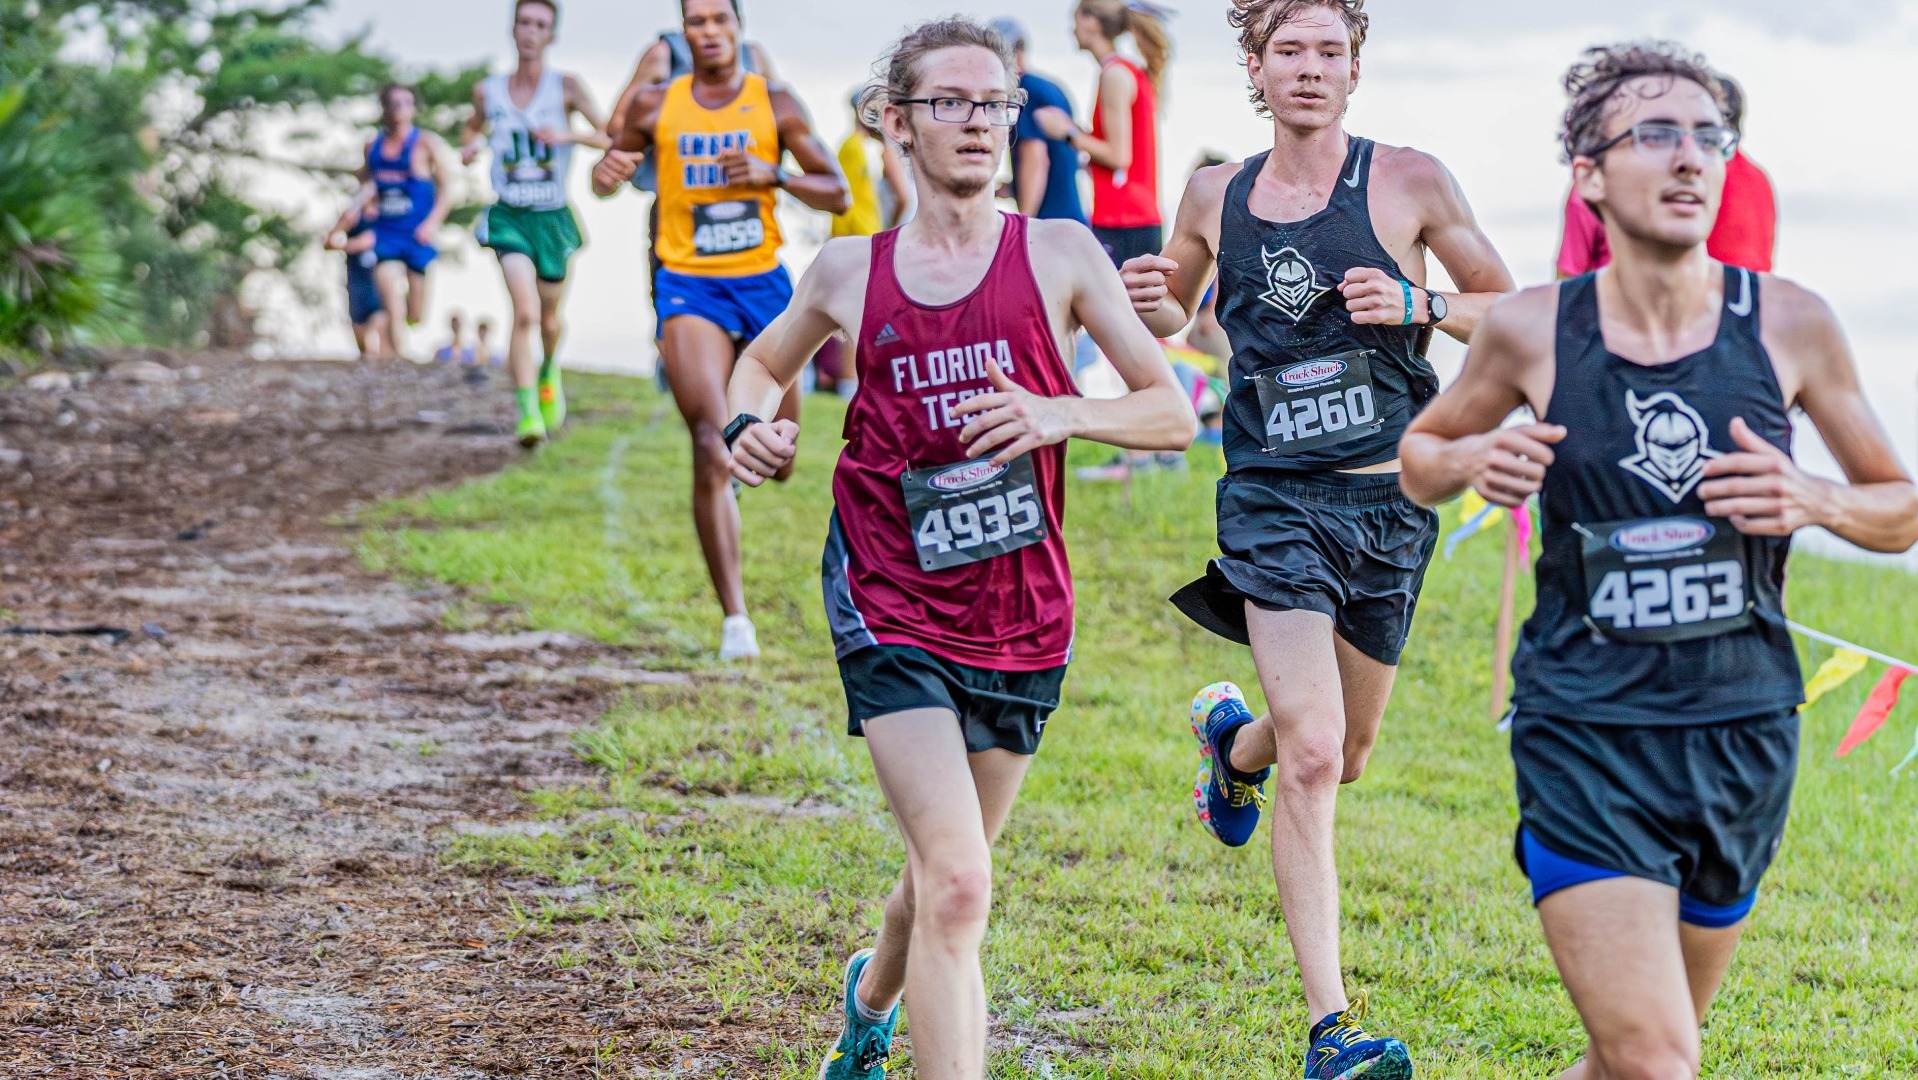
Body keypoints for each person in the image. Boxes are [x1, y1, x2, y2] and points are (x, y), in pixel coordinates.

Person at [1399, 42, 1918, 1080]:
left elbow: (1897, 507)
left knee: (1627, 1059)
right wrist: (1473, 459)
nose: (1689, 157)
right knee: (1654, 1060)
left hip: (1742, 735)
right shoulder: (1532, 329)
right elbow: (1421, 457)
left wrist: (1813, 497)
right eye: (1656, 133)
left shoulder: (1790, 323)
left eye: (1708, 137)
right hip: (1584, 730)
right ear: (1587, 175)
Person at [723, 21, 1194, 1077]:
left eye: (995, 103)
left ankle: (870, 1000)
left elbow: (1169, 410)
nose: (978, 122)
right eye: (951, 102)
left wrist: (1059, 412)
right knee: (962, 881)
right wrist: (747, 425)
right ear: (897, 122)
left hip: (1020, 611)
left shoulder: (1060, 252)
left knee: (946, 872)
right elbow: (759, 366)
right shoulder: (849, 270)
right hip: (887, 595)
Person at [1120, 1, 1515, 1074]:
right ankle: (1331, 1030)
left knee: (1344, 754)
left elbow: (1512, 309)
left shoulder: (1411, 181)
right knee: (1313, 750)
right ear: (1255, 68)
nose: (1309, 67)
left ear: (1353, 69)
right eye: (1287, 50)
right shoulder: (1214, 194)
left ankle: (1228, 749)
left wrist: (1421, 300)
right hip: (1272, 499)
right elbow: (1173, 312)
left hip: (1388, 505)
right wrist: (1148, 296)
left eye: (1328, 51)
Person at [591, 0, 849, 661]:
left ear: (738, 27)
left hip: (763, 283)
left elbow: (838, 191)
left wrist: (775, 175)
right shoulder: (655, 104)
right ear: (683, 31)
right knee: (713, 442)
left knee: (779, 459)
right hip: (689, 284)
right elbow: (609, 171)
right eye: (696, 21)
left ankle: (743, 468)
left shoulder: (775, 102)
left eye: (718, 20)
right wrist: (604, 175)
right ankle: (737, 621)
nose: (708, 31)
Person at [460, 0, 610, 448]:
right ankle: (527, 413)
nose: (530, 31)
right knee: (523, 313)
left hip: (552, 218)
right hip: (510, 216)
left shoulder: (566, 87)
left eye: (540, 25)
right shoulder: (488, 90)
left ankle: (548, 370)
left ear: (551, 35)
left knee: (548, 319)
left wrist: (568, 134)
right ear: (512, 29)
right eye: (524, 22)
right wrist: (470, 147)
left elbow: (610, 135)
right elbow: (472, 128)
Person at [1558, 72, 1777, 276]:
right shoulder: (1759, 179)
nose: (1690, 160)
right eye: (1656, 135)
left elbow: (1568, 272)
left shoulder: (1676, 178)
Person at [1035, 0, 1172, 268]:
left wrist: (1067, 132)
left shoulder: (1115, 74)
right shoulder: (1127, 71)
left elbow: (1119, 156)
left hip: (1123, 220)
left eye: (1075, 20)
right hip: (1133, 218)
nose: (1072, 30)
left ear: (1091, 22)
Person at [338, 84, 453, 360]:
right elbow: (366, 180)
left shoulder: (426, 144)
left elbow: (446, 189)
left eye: (406, 103)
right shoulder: (372, 147)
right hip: (385, 234)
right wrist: (368, 204)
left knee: (416, 314)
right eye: (394, 103)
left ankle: (405, 324)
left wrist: (432, 223)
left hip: (417, 236)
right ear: (384, 108)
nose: (400, 109)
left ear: (414, 108)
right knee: (389, 295)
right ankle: (399, 358)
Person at [988, 18, 1085, 224]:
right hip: (1071, 219)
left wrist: (1024, 225)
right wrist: (1014, 187)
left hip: (1048, 224)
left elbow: (1035, 159)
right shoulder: (1052, 88)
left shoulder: (1025, 91)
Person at [322, 210, 386, 360]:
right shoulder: (353, 215)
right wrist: (351, 243)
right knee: (362, 338)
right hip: (357, 284)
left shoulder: (386, 214)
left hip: (380, 284)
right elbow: (328, 243)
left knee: (380, 320)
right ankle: (371, 362)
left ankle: (384, 360)